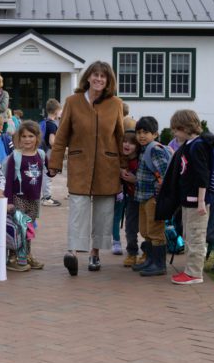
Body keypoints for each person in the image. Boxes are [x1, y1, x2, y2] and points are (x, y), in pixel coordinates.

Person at [47, 61, 125, 276]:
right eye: (95, 75)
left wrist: (124, 166)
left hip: (107, 165)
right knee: (78, 209)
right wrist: (54, 163)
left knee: (103, 211)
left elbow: (120, 136)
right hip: (79, 164)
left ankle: (95, 253)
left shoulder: (116, 104)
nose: (99, 79)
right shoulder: (72, 101)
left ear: (108, 81)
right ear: (88, 77)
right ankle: (72, 252)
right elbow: (61, 135)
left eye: (103, 76)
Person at [158, 109, 214, 285]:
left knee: (195, 236)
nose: (174, 134)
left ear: (185, 127)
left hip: (196, 201)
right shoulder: (190, 144)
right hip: (189, 199)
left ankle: (194, 273)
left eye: (176, 130)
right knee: (189, 235)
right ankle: (190, 270)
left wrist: (201, 201)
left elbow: (202, 175)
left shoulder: (197, 146)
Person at [0, 120, 46, 271]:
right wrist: (9, 200)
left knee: (28, 228)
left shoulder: (41, 155)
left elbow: (48, 172)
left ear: (37, 138)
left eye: (31, 136)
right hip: (19, 198)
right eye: (23, 136)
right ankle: (12, 257)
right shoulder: (15, 156)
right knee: (17, 228)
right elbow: (9, 180)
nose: (27, 139)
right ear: (18, 138)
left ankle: (26, 255)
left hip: (34, 199)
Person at [131, 117, 173, 277]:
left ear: (155, 134)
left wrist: (159, 195)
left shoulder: (155, 149)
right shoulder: (144, 149)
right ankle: (149, 260)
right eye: (139, 132)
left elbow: (165, 173)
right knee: (145, 230)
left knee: (155, 231)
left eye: (146, 132)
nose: (141, 136)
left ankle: (159, 264)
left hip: (153, 198)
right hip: (143, 197)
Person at [116, 130, 142, 266]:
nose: (127, 145)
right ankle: (132, 253)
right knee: (130, 227)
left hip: (145, 198)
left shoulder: (141, 160)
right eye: (125, 141)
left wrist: (135, 180)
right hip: (131, 198)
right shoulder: (122, 160)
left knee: (146, 228)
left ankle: (148, 252)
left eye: (131, 143)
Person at [40, 98, 61, 207]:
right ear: (56, 111)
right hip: (48, 152)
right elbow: (52, 141)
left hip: (42, 150)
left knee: (43, 173)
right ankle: (46, 197)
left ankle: (45, 196)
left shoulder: (44, 121)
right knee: (47, 174)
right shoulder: (52, 124)